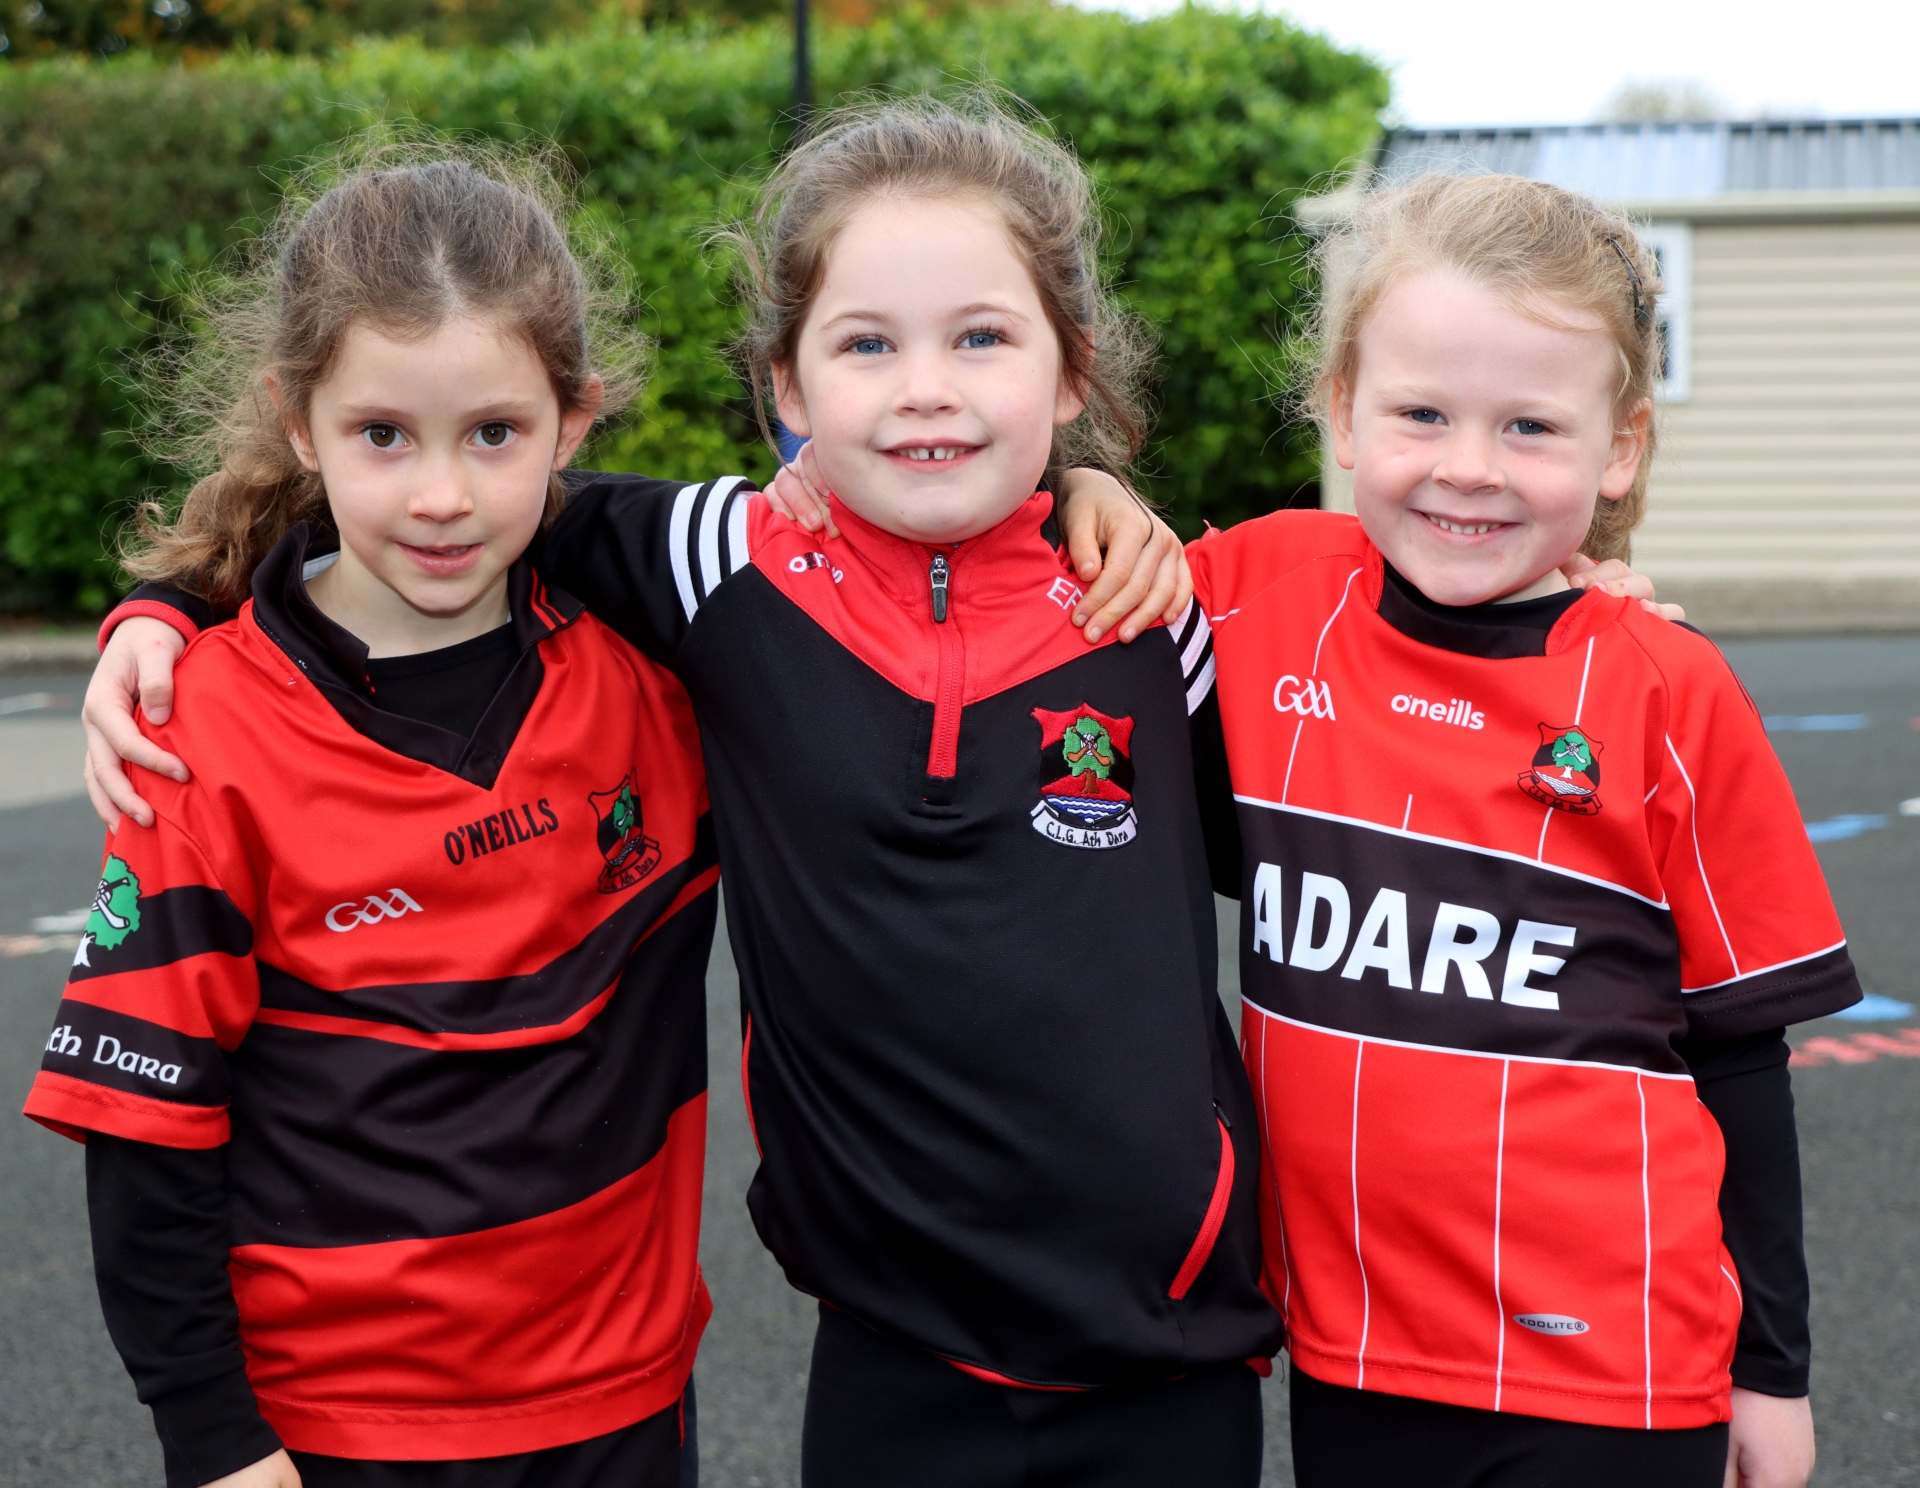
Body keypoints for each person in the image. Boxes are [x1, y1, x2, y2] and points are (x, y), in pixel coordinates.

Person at [77, 99, 1270, 1488]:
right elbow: (401, 473)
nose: (926, 386)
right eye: (867, 343)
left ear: (1072, 373)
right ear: (786, 388)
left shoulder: (1166, 612)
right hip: (877, 1345)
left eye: (984, 337)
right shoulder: (712, 569)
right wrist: (162, 609)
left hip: (1161, 1348)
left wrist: (1087, 489)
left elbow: (1355, 797)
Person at [24, 149, 725, 1488]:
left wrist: (1079, 496)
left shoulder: (659, 682)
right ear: (301, 424)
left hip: (627, 1411)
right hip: (335, 1439)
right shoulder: (208, 734)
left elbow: (892, 588)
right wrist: (218, 1444)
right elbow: (145, 1139)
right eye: (383, 435)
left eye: (495, 435)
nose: (442, 495)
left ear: (574, 421)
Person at [1181, 172, 1860, 1488]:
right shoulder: (1257, 596)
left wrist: (1772, 1370)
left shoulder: (1668, 686)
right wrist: (1100, 508)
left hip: (1612, 1368)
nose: (1470, 467)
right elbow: (1041, 601)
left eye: (1532, 426)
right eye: (1421, 413)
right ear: (1340, 410)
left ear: (1618, 450)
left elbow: (1740, 1058)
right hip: (1350, 1347)